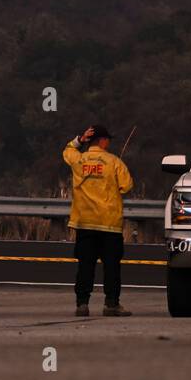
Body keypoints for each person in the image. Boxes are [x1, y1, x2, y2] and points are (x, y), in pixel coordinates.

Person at [62, 124, 134, 317]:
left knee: (85, 265)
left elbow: (67, 150)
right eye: (107, 139)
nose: (108, 142)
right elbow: (126, 186)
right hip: (110, 224)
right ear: (102, 141)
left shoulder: (79, 160)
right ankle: (111, 304)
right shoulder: (114, 162)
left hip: (85, 223)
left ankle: (82, 304)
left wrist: (80, 139)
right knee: (112, 267)